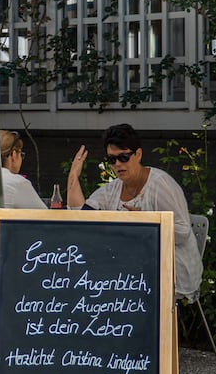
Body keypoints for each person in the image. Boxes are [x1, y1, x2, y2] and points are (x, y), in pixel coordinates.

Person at [68, 123, 202, 298]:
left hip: (171, 268)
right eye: (111, 160)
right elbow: (81, 216)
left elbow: (183, 232)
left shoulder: (160, 184)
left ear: (138, 154)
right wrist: (73, 175)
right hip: (132, 268)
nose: (117, 164)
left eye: (123, 157)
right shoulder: (113, 189)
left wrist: (147, 223)